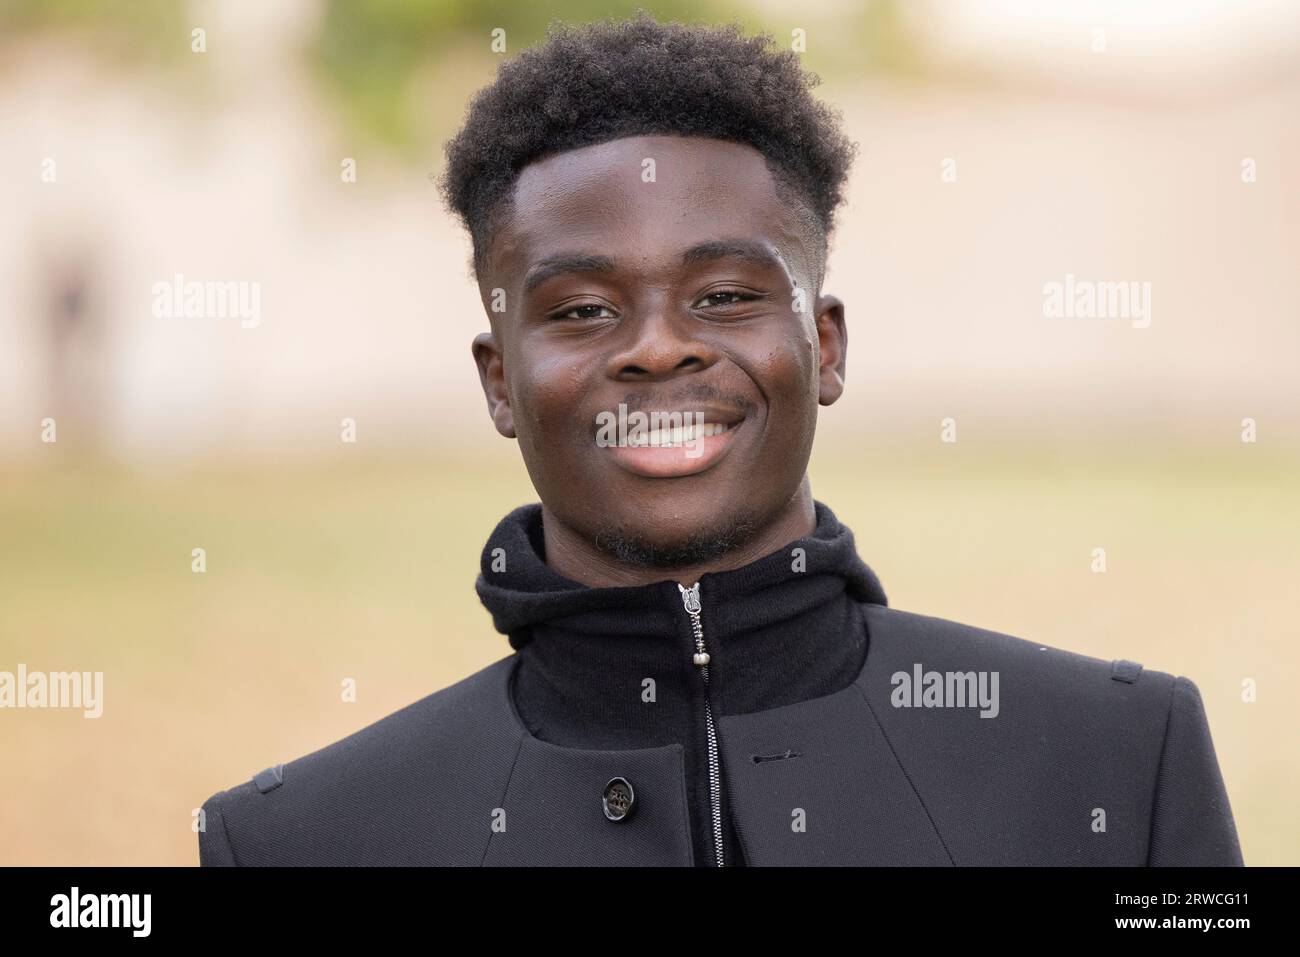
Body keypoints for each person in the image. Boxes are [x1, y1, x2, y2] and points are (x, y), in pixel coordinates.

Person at [198, 13, 1243, 867]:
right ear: (499, 380)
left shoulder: (1111, 760)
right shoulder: (302, 840)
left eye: (727, 293)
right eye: (577, 311)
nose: (657, 348)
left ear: (823, 346)